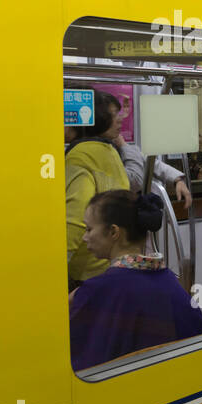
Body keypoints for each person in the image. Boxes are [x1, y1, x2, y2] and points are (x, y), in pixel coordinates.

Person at [68, 189, 202, 371]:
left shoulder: (96, 291)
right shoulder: (172, 283)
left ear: (113, 232)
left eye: (89, 229)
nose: (85, 237)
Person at [67, 90, 130, 288]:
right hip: (111, 261)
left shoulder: (79, 156)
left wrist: (51, 267)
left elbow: (75, 220)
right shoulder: (109, 151)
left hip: (87, 270)